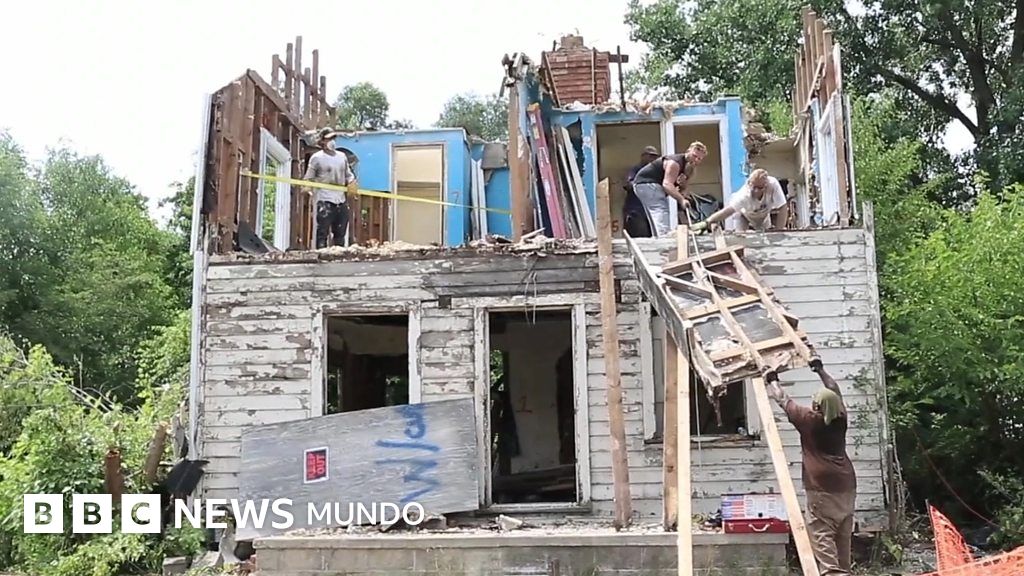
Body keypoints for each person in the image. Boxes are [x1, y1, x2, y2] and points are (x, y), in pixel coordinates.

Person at [765, 359, 858, 576]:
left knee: (822, 532)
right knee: (843, 531)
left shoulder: (809, 421)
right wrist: (819, 369)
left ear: (817, 406)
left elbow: (783, 400)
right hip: (846, 485)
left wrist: (772, 380)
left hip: (822, 488)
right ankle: (843, 571)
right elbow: (834, 389)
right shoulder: (840, 418)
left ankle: (833, 573)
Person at [630, 141, 708, 237]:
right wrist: (681, 200)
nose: (696, 160)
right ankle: (664, 236)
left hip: (646, 186)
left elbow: (682, 189)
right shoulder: (674, 162)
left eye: (699, 159)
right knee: (660, 208)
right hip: (646, 183)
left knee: (654, 212)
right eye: (694, 156)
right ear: (688, 151)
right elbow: (667, 184)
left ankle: (658, 238)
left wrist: (683, 191)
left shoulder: (689, 169)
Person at [303, 127, 357, 248]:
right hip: (324, 199)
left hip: (340, 199)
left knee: (340, 233)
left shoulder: (342, 156)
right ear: (322, 141)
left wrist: (352, 182)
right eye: (328, 139)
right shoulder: (317, 158)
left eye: (333, 138)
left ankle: (338, 258)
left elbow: (348, 174)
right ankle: (321, 258)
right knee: (322, 232)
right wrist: (307, 187)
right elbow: (309, 177)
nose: (332, 141)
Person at [693, 168, 789, 233]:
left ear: (766, 185)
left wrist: (778, 231)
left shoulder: (773, 185)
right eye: (753, 187)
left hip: (763, 215)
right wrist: (706, 222)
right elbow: (727, 212)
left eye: (759, 188)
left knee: (767, 238)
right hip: (743, 214)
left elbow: (783, 207)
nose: (755, 191)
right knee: (741, 239)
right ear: (750, 184)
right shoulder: (744, 195)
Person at [622, 146, 661, 237]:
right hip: (636, 210)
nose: (653, 159)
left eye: (655, 157)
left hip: (651, 211)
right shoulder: (636, 170)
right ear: (643, 156)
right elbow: (628, 184)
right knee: (639, 236)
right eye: (650, 156)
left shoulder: (655, 172)